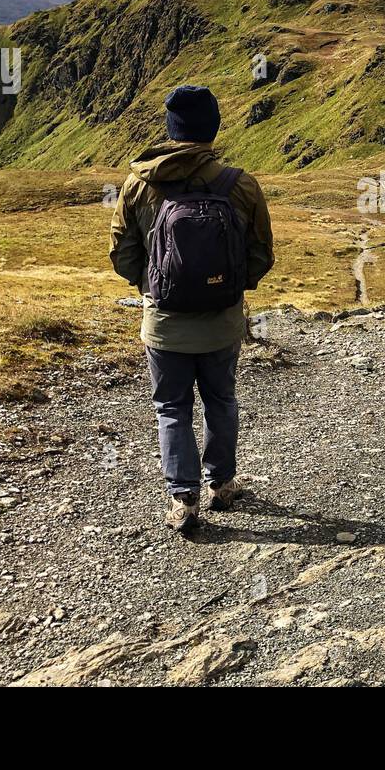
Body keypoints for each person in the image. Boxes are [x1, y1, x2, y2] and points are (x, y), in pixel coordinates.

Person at [109, 85, 274, 534]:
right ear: (213, 128)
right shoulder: (240, 185)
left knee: (171, 406)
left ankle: (183, 500)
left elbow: (122, 255)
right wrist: (230, 291)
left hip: (164, 324)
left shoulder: (138, 184)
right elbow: (261, 254)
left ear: (171, 128)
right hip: (222, 322)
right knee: (221, 399)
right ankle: (221, 483)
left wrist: (153, 286)